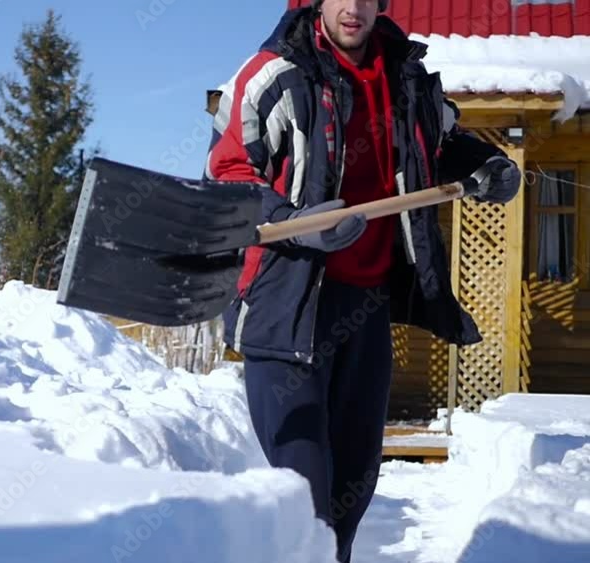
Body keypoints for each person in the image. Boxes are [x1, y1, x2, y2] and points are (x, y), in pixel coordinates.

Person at [204, 1, 520, 561]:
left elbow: (440, 143)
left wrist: (486, 165)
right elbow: (228, 170)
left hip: (364, 309)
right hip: (287, 309)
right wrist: (289, 222)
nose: (352, 8)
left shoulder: (408, 79)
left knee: (353, 489)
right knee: (304, 499)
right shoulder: (273, 75)